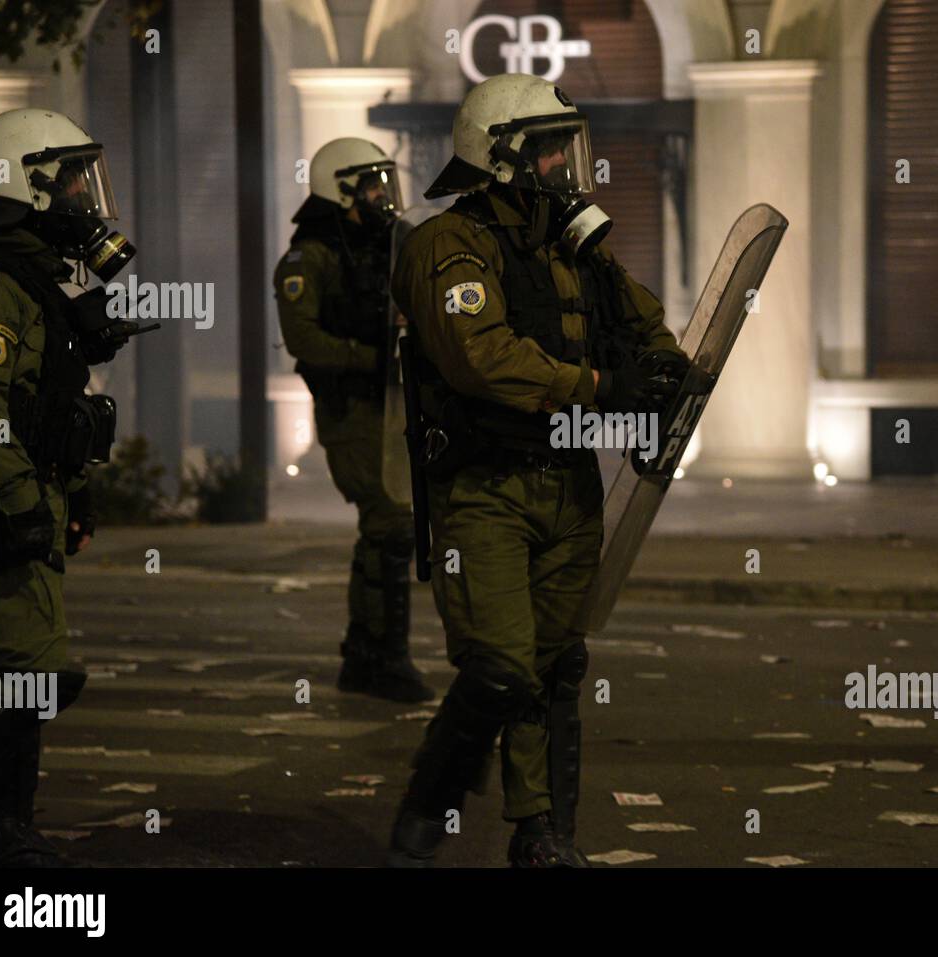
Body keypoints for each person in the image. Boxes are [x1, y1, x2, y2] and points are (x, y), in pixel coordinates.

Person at [386, 73, 688, 867]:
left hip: (569, 483)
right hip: (484, 489)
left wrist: (660, 377)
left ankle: (542, 834)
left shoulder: (574, 247)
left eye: (566, 145)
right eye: (549, 148)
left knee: (555, 669)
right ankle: (430, 799)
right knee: (499, 668)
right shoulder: (444, 245)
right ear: (502, 158)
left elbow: (642, 324)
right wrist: (593, 386)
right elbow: (479, 355)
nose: (565, 163)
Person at [0, 108, 140, 865]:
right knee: (32, 675)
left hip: (25, 496)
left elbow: (47, 403)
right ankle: (1, 823)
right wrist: (24, 500)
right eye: (65, 180)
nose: (79, 196)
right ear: (19, 181)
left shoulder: (28, 270)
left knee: (13, 667)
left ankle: (3, 826)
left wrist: (73, 491)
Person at [274, 138, 431, 703]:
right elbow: (305, 339)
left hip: (388, 406)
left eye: (384, 183)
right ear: (339, 190)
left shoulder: (386, 246)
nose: (382, 196)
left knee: (386, 528)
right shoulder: (308, 257)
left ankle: (366, 652)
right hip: (351, 410)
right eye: (370, 185)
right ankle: (383, 657)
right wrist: (374, 357)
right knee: (389, 522)